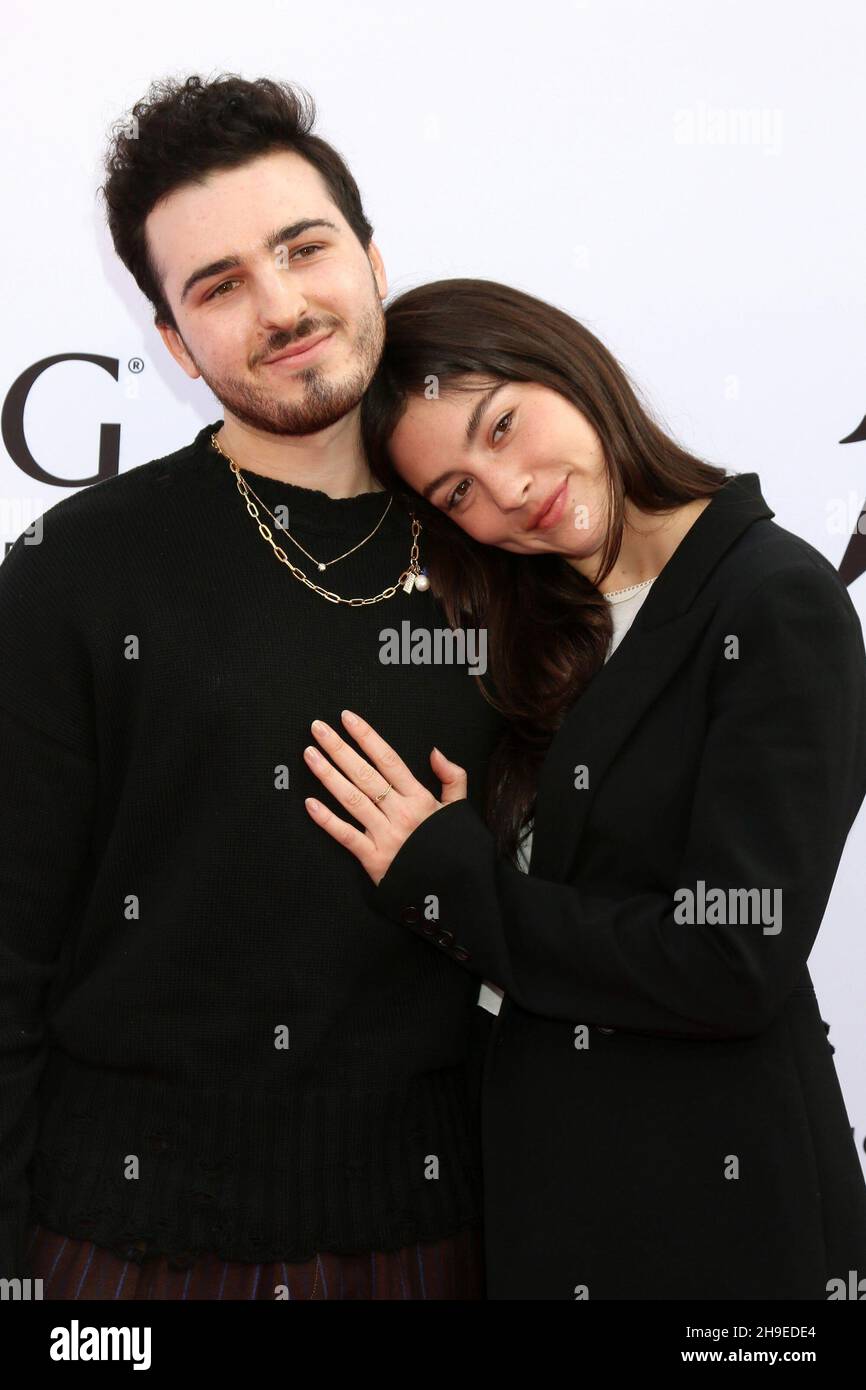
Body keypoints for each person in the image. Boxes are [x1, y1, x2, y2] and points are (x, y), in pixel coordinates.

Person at [0, 81, 506, 1300]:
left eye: (302, 248)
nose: (280, 306)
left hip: (446, 1238)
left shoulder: (509, 545)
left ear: (373, 259)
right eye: (218, 285)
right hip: (124, 1258)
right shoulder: (79, 567)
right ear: (172, 343)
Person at [301, 277, 866, 1299]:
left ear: (563, 362)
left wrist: (453, 882)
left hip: (712, 1212)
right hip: (537, 1202)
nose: (507, 490)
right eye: (458, 492)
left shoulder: (773, 600)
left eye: (503, 425)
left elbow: (730, 961)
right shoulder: (536, 634)